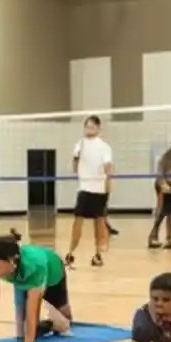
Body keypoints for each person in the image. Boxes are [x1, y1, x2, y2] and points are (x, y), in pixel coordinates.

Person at [0, 229, 72, 342]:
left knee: (64, 325)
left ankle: (51, 323)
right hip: (21, 281)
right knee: (22, 332)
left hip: (52, 272)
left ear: (12, 261)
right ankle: (43, 326)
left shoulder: (34, 266)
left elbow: (32, 307)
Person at [67, 115, 113, 268]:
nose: (89, 130)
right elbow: (74, 168)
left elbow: (108, 167)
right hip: (84, 188)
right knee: (77, 221)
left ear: (98, 129)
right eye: (87, 127)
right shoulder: (79, 144)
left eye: (92, 127)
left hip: (99, 189)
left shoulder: (104, 147)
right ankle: (70, 253)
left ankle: (97, 254)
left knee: (98, 223)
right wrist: (75, 160)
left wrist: (108, 185)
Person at [149, 133, 171, 249]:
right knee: (163, 211)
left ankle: (170, 237)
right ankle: (153, 237)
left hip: (169, 185)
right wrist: (167, 187)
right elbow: (167, 173)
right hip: (164, 184)